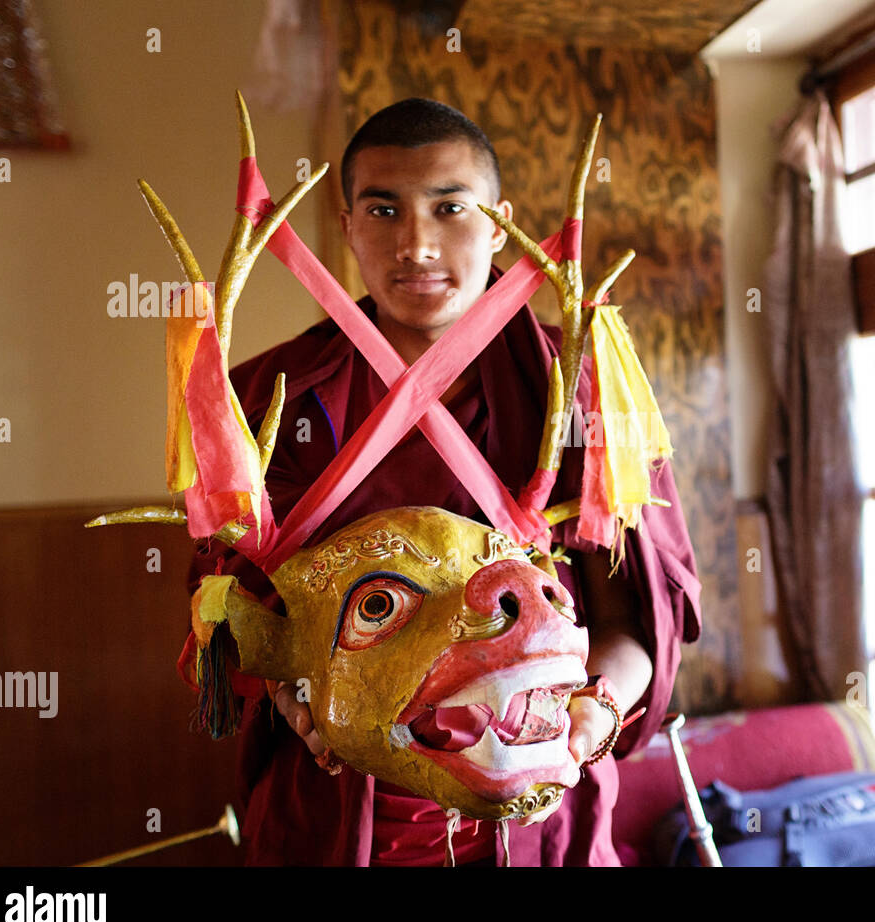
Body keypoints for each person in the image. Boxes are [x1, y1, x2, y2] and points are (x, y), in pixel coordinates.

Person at [184, 98, 703, 866]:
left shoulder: (583, 384)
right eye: (384, 209)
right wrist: (296, 701)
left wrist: (593, 718)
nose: (417, 244)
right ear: (348, 224)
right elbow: (237, 617)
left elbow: (634, 617)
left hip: (534, 802)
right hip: (335, 811)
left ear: (500, 223)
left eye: (449, 207)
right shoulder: (267, 396)